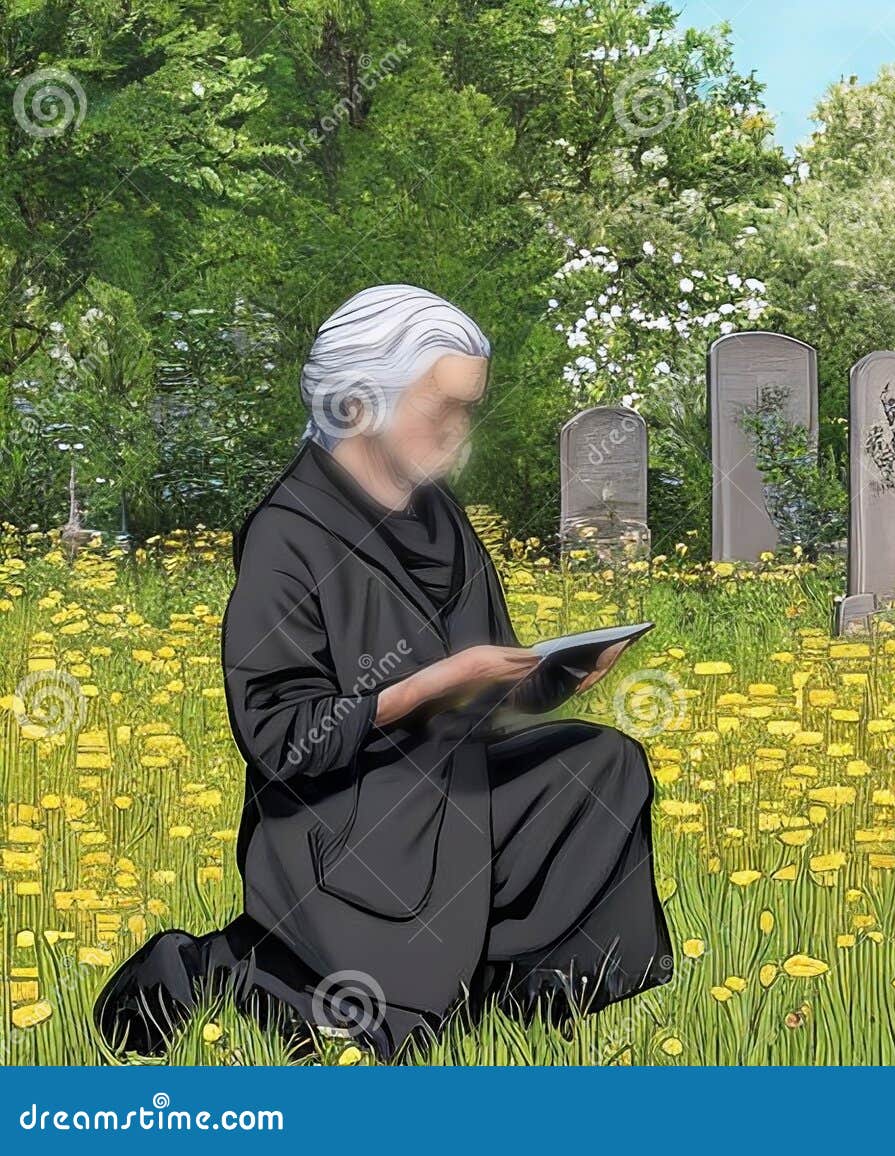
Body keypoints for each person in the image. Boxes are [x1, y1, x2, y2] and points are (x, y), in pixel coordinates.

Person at [96, 286, 671, 1059]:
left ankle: (518, 998)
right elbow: (279, 739)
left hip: (450, 779)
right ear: (358, 404)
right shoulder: (288, 535)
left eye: (469, 410)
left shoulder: (442, 521)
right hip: (350, 817)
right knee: (376, 1026)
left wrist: (558, 676)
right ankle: (223, 969)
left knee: (603, 765)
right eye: (444, 409)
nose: (460, 432)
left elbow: (486, 687)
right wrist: (418, 689)